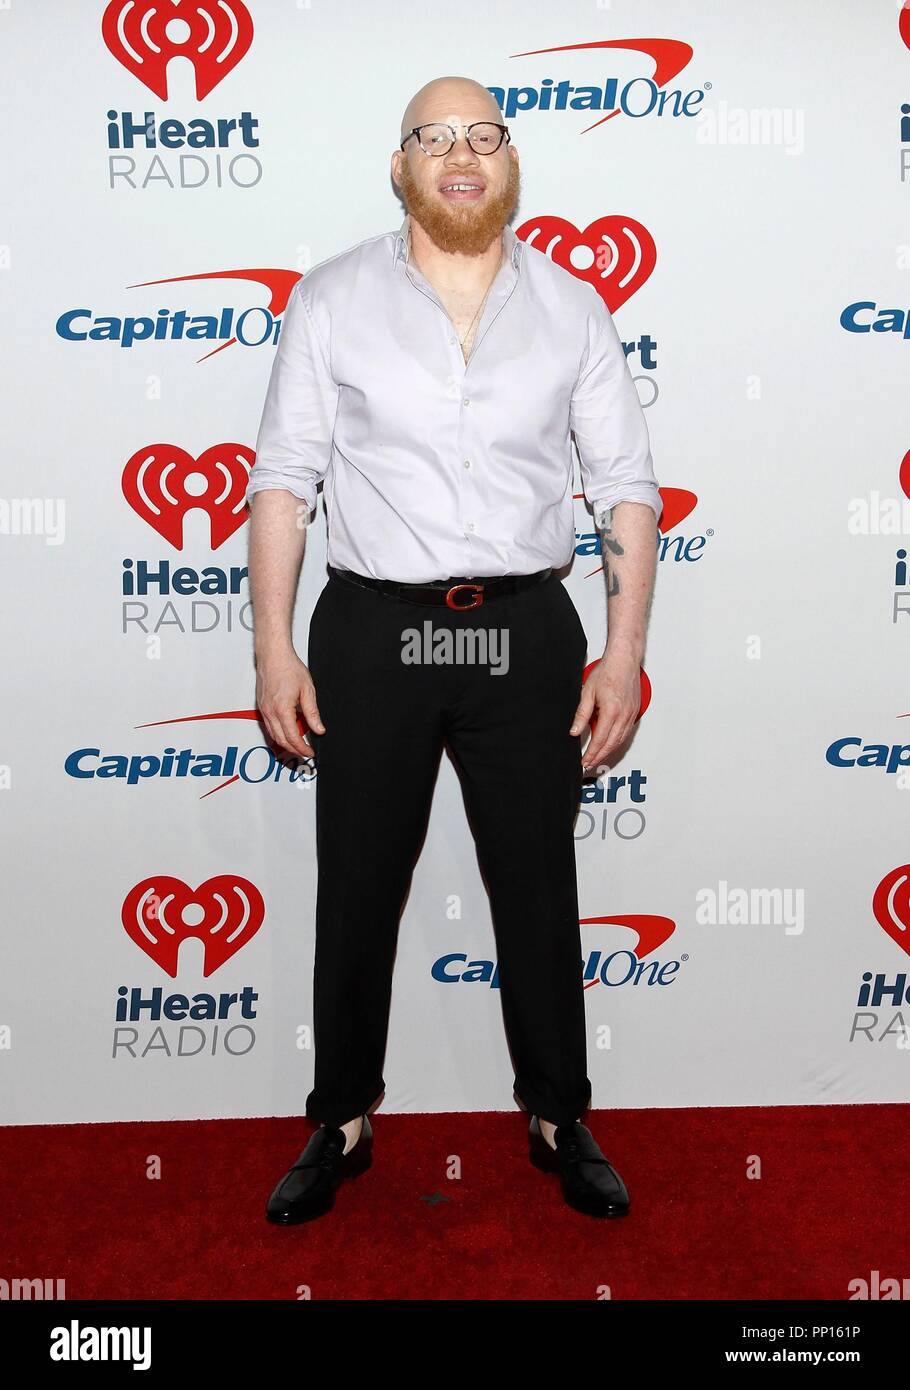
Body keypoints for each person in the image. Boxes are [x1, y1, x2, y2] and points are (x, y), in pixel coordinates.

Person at [245, 75, 662, 1223]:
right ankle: (340, 1117)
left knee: (536, 883)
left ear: (510, 160)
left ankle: (558, 1113)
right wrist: (272, 649)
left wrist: (621, 652)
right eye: (435, 137)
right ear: (401, 166)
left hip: (525, 630)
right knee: (358, 886)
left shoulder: (573, 307)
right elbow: (284, 479)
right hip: (374, 629)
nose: (461, 154)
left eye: (483, 135)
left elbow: (624, 489)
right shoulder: (330, 298)